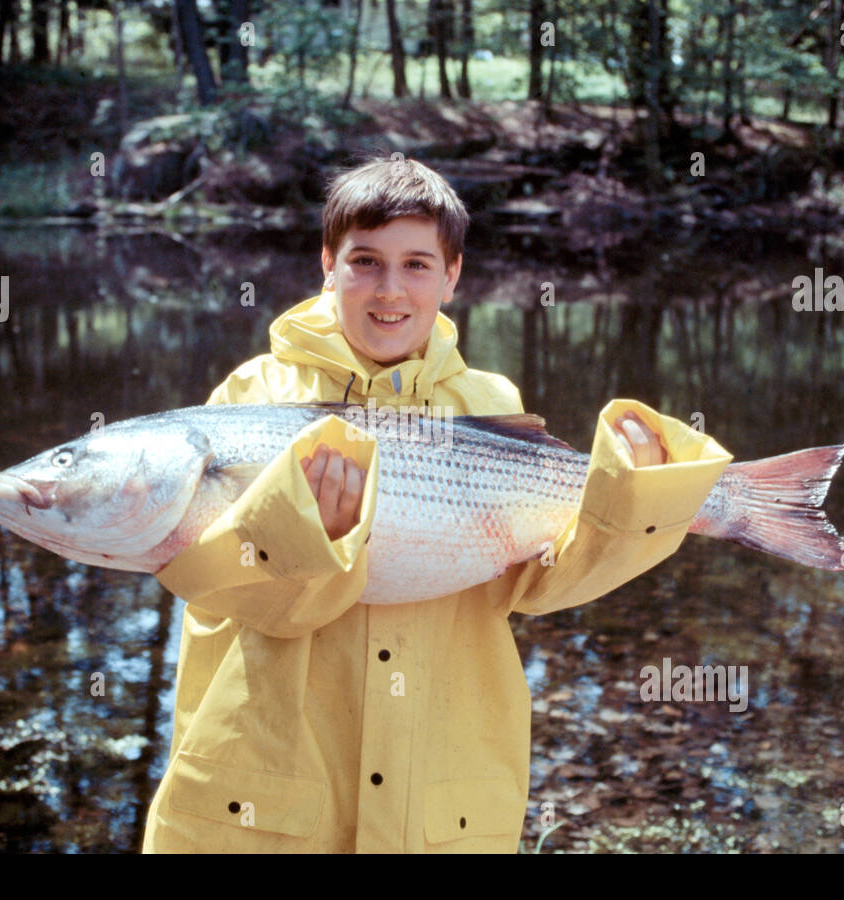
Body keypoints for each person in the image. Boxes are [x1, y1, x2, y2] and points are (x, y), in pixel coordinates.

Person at [141, 156, 732, 853]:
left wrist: (640, 499)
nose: (390, 289)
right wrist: (304, 533)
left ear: (453, 275)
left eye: (417, 264)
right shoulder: (248, 399)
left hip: (438, 804)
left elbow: (543, 583)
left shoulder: (491, 405)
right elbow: (218, 584)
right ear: (326, 264)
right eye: (364, 260)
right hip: (264, 796)